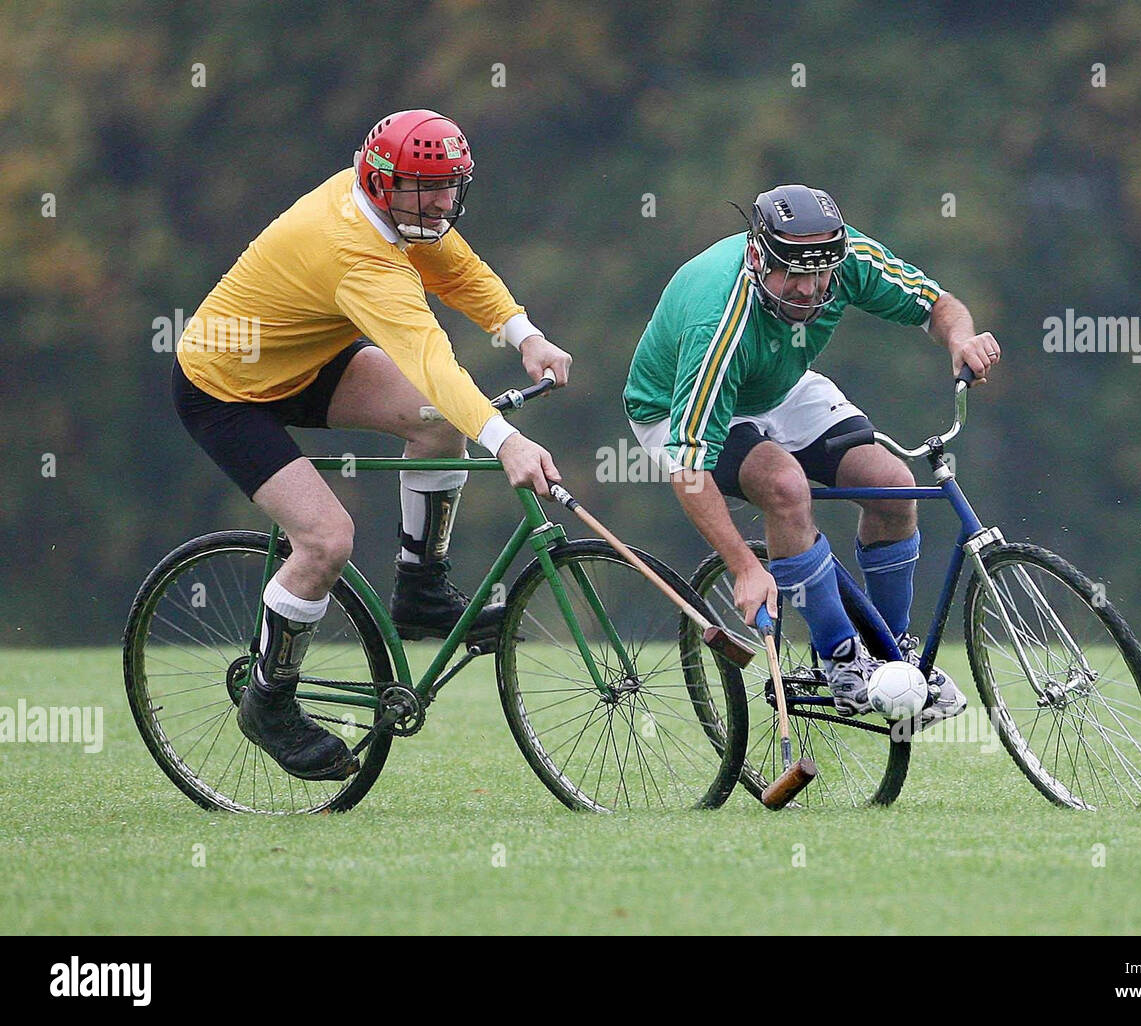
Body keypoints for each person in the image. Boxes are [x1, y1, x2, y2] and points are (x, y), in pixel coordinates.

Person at [172, 109, 570, 780]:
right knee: (327, 539)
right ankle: (269, 703)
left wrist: (527, 337)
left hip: (302, 362)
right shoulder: (356, 250)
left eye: (453, 185)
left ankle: (419, 590)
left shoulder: (401, 209)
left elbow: (464, 274)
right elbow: (430, 361)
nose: (443, 203)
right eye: (428, 188)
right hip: (225, 388)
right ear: (383, 183)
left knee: (437, 425)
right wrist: (506, 441)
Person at [624, 184, 1000, 724]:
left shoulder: (842, 259)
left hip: (782, 386)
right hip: (679, 407)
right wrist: (744, 566)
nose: (808, 288)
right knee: (785, 487)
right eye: (792, 274)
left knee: (892, 486)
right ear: (757, 257)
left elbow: (938, 305)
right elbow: (688, 466)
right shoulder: (719, 318)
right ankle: (841, 661)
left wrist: (960, 339)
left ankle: (893, 656)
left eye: (820, 273)